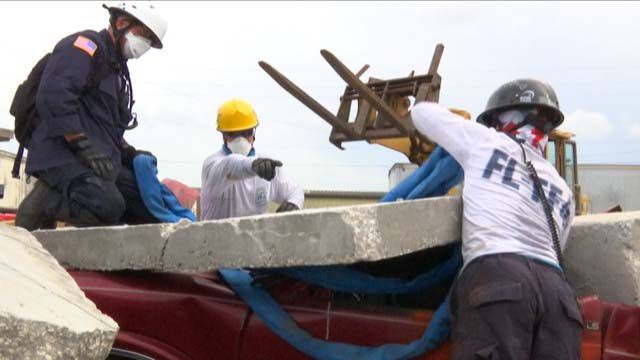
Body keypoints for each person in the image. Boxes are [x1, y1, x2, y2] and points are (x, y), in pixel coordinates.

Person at [411, 79, 582, 359]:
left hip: (499, 277)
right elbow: (556, 248)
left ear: (502, 118)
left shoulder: (485, 141)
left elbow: (422, 114)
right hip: (558, 297)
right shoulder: (562, 189)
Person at [16, 2, 168, 230]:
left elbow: (103, 126)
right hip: (61, 155)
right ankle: (45, 202)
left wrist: (127, 153)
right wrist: (80, 143)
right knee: (109, 206)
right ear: (121, 23)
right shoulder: (84, 47)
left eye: (149, 40)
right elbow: (55, 96)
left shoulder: (116, 71)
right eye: (142, 35)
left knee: (146, 205)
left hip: (94, 161)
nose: (144, 44)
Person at [200, 99, 304, 220]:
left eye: (246, 133)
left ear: (254, 134)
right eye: (233, 134)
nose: (241, 140)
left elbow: (294, 191)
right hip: (218, 238)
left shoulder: (267, 165)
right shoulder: (212, 165)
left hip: (257, 238)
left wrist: (293, 204)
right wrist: (253, 165)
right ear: (224, 135)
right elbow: (230, 164)